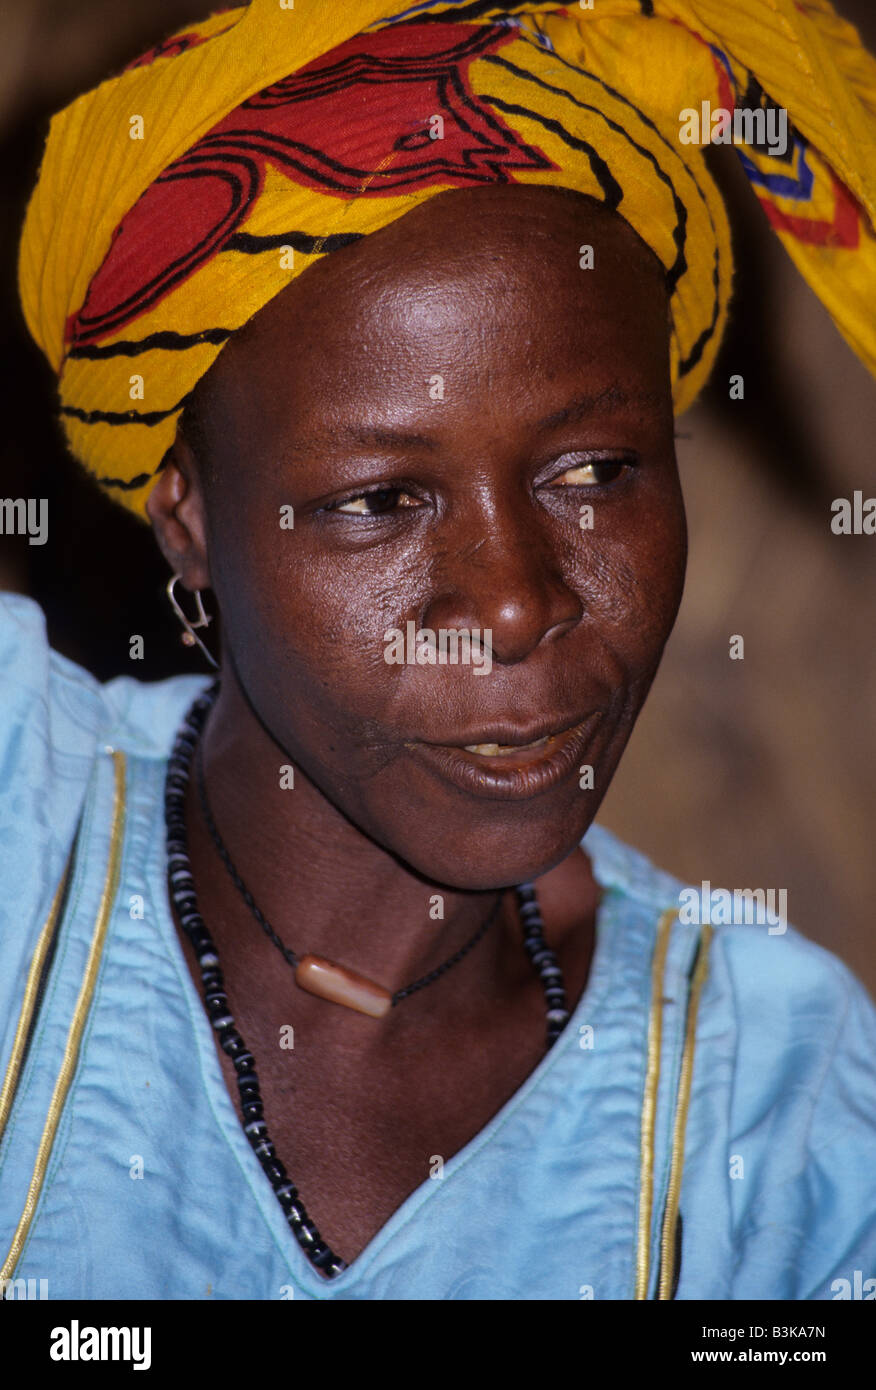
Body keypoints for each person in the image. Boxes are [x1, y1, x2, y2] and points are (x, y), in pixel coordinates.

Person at [2, 0, 875, 1301]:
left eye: (594, 470)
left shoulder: (778, 1114)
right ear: (186, 516)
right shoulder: (25, 828)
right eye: (379, 500)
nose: (519, 604)